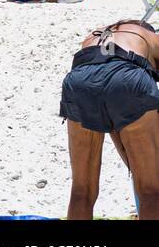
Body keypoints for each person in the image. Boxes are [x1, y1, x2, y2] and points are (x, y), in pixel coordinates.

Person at [61, 19, 159, 219]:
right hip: (129, 81)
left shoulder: (95, 35)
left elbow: (113, 116)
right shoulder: (150, 37)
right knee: (151, 191)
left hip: (80, 82)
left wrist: (131, 162)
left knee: (81, 191)